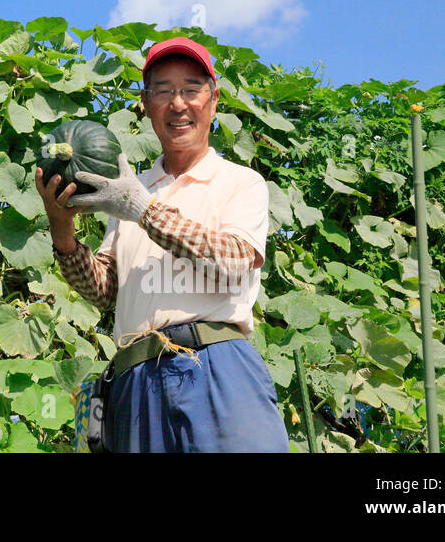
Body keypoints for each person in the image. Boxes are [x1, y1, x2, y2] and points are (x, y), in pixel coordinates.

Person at [36, 36, 290, 452]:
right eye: (163, 91)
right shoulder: (129, 189)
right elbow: (106, 292)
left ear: (213, 99)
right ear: (145, 102)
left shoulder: (240, 182)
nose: (178, 104)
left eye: (191, 89)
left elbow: (232, 260)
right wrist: (62, 230)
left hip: (216, 364)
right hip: (136, 379)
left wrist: (141, 209)